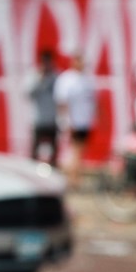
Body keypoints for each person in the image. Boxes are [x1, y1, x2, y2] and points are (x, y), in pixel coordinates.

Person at [54, 53, 97, 189]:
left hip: (84, 121)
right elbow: (62, 102)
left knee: (78, 150)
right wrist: (66, 121)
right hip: (73, 121)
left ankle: (74, 178)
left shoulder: (86, 79)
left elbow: (92, 101)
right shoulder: (67, 79)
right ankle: (72, 179)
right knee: (75, 150)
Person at [27, 49, 60, 166]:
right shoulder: (34, 76)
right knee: (34, 150)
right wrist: (39, 80)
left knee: (54, 151)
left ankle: (53, 170)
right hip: (38, 120)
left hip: (53, 120)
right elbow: (28, 94)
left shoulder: (56, 77)